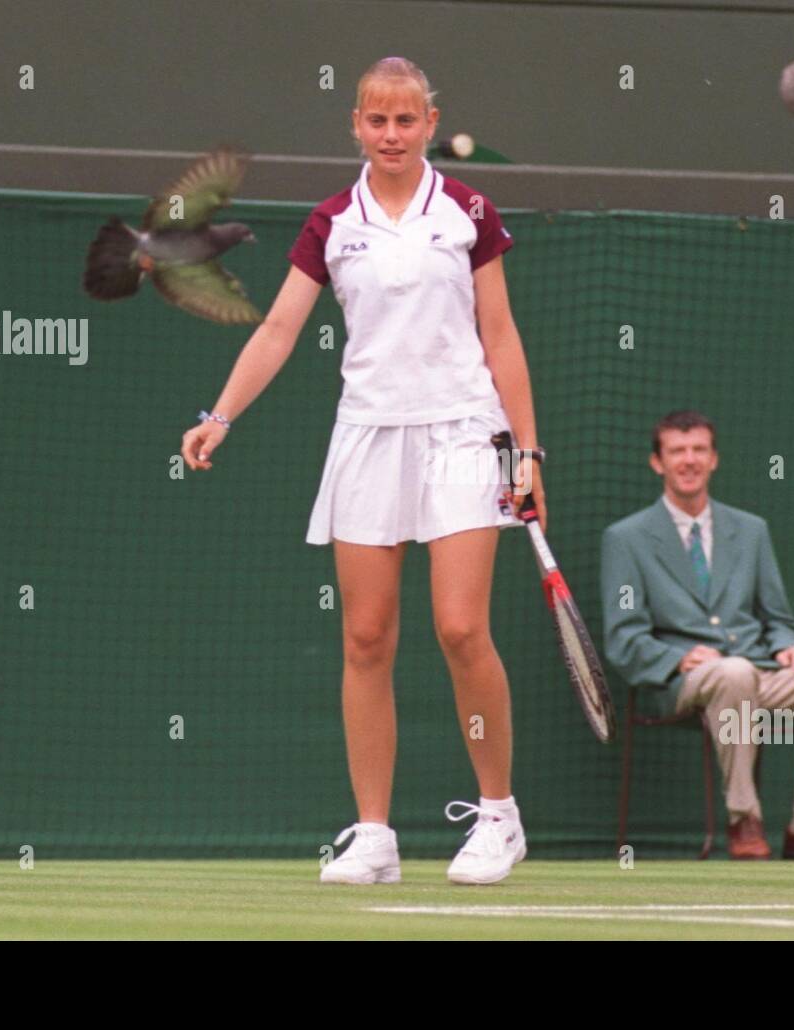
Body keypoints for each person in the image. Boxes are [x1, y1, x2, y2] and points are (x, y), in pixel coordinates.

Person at [180, 57, 545, 885]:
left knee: (459, 628)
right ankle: (374, 836)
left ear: (429, 121)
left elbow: (501, 333)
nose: (391, 135)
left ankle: (499, 817)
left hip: (462, 432)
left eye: (406, 120)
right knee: (366, 637)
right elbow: (278, 328)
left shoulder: (469, 211)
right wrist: (218, 416)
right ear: (356, 125)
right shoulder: (331, 222)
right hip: (369, 438)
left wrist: (525, 452)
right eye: (376, 121)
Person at [600, 410, 794, 859]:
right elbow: (624, 635)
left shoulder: (751, 531)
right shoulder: (625, 538)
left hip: (760, 671)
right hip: (683, 681)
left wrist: (787, 646)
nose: (689, 460)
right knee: (732, 673)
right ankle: (743, 819)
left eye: (699, 450)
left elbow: (778, 616)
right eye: (677, 451)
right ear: (657, 463)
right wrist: (676, 659)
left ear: (714, 460)